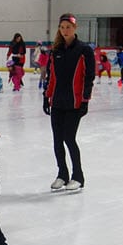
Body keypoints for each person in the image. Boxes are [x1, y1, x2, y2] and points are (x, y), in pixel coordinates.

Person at [43, 13, 94, 192]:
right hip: (57, 101)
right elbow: (52, 76)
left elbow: (89, 76)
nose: (65, 30)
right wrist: (46, 96)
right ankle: (62, 174)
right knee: (57, 140)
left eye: (68, 27)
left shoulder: (84, 50)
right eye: (62, 27)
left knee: (69, 138)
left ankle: (78, 176)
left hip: (75, 102)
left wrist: (85, 100)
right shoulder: (55, 50)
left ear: (75, 28)